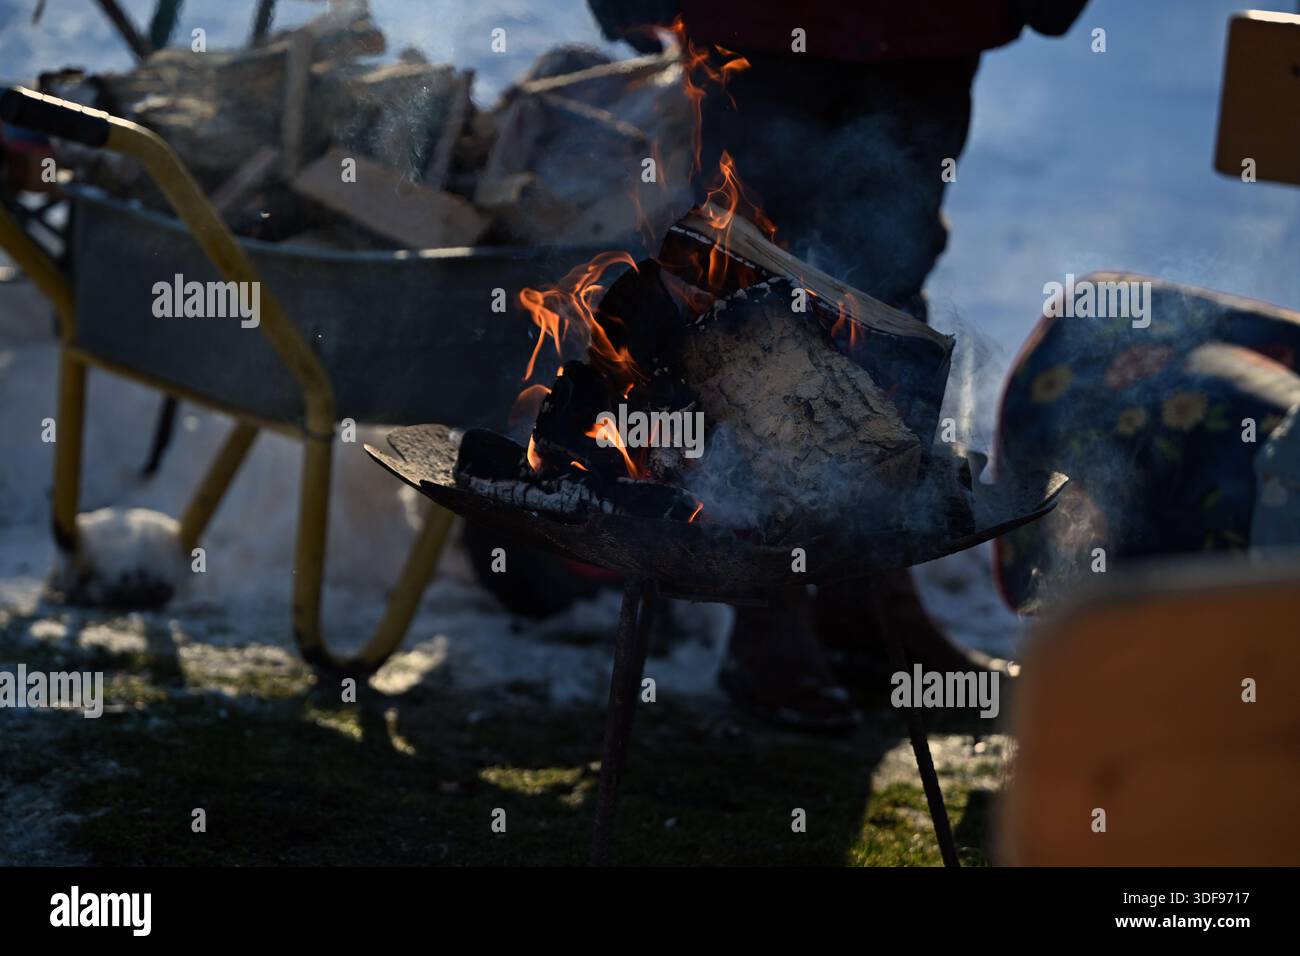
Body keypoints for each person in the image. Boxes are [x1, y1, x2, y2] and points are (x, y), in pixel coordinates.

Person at [588, 0, 1090, 730]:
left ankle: (869, 596)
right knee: (748, 288)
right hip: (761, 23)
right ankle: (767, 609)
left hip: (927, 29)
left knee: (889, 290)